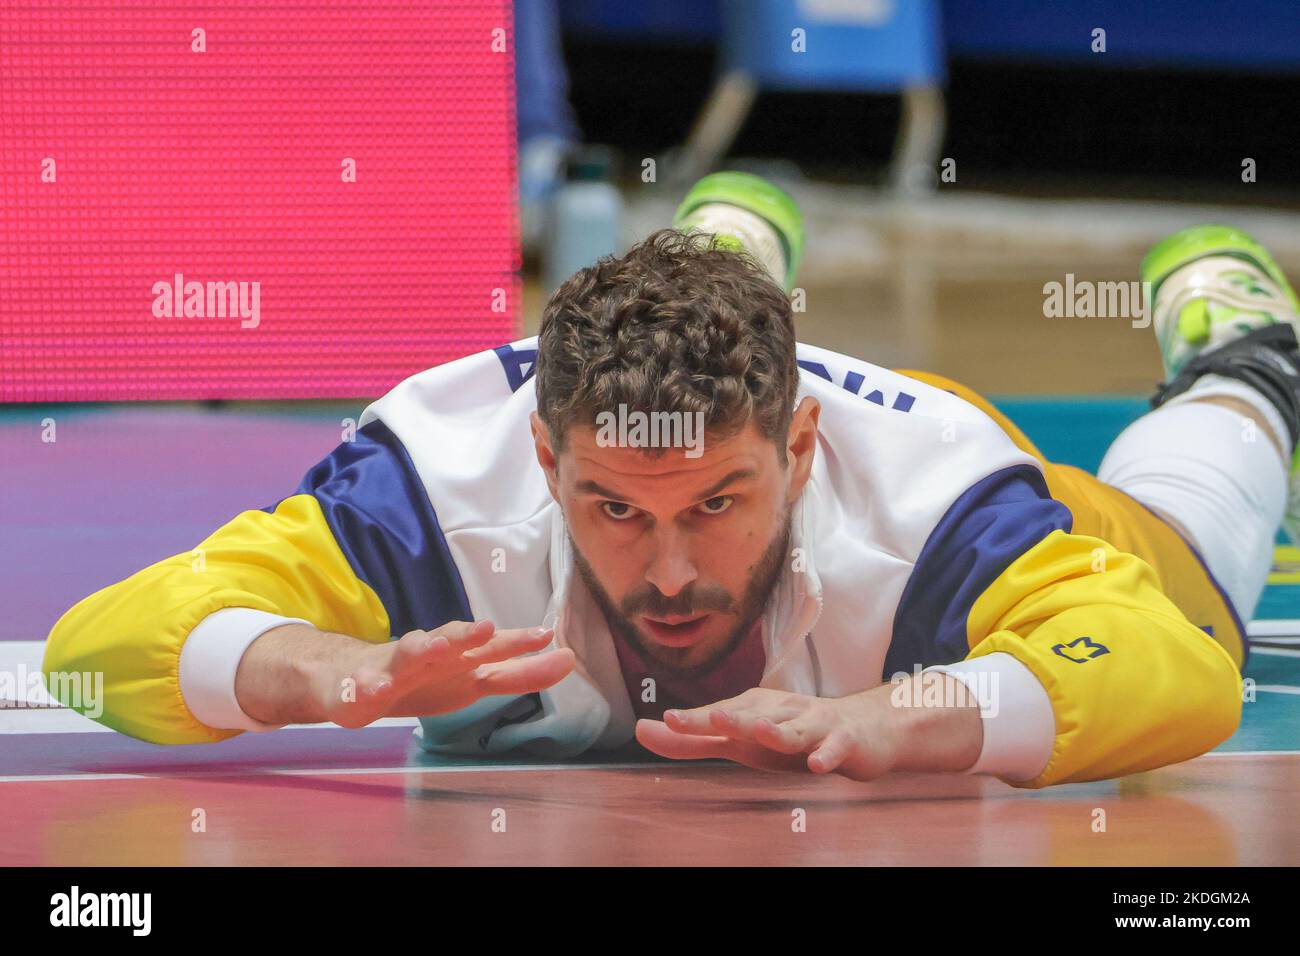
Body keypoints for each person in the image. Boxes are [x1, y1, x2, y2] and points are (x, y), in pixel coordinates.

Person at [43, 173, 1298, 789]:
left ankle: (1239, 347)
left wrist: (901, 714)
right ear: (545, 457)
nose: (674, 568)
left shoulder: (937, 509)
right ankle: (713, 250)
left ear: (797, 450)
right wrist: (332, 671)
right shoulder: (433, 481)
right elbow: (92, 649)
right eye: (616, 509)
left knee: (1199, 538)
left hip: (971, 459)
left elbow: (1177, 670)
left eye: (716, 502)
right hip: (706, 388)